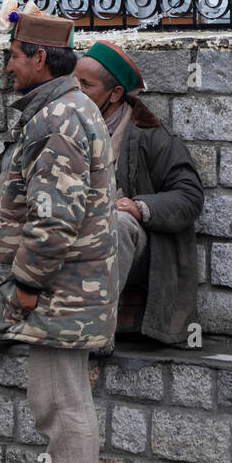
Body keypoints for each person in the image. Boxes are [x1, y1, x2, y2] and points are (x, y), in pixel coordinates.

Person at [0, 0, 118, 463]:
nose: (8, 64)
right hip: (66, 292)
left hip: (60, 293)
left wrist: (27, 286)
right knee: (61, 406)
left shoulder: (58, 119)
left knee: (61, 409)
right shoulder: (65, 110)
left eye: (14, 54)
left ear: (40, 59)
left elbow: (54, 218)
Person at [75, 41, 204, 346]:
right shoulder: (65, 127)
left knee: (117, 223)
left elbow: (190, 196)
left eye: (86, 85)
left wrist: (138, 206)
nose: (76, 91)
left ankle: (94, 334)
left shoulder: (153, 136)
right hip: (76, 236)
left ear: (115, 94)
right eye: (73, 82)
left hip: (136, 249)